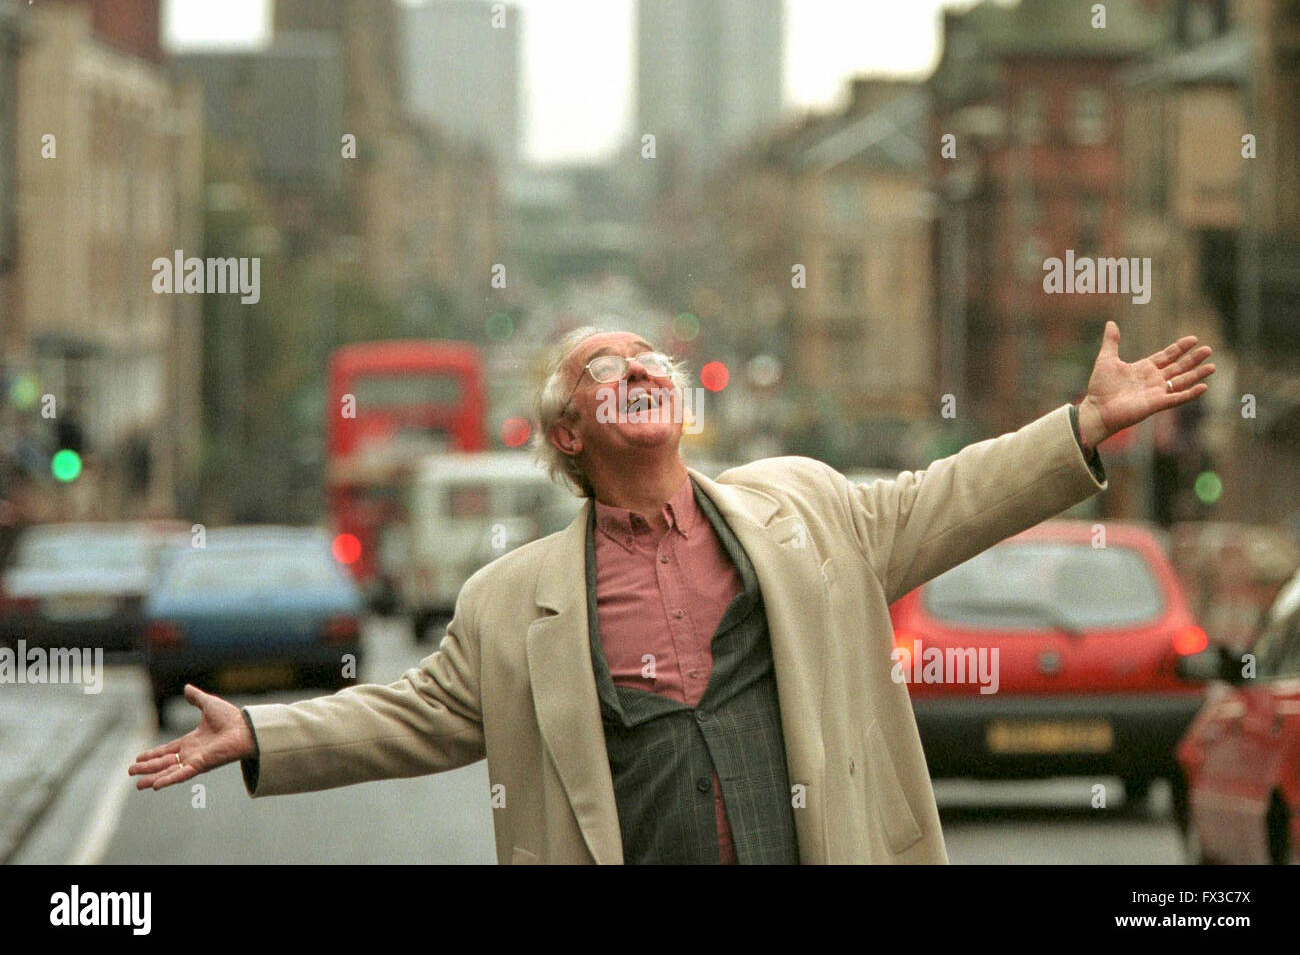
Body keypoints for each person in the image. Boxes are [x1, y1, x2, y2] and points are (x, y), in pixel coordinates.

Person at [130, 321, 1213, 864]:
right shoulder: (514, 598)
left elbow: (951, 496)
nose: (639, 369)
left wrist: (1080, 426)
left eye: (649, 357)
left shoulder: (806, 507)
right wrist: (263, 736)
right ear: (567, 434)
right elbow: (418, 712)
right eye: (605, 368)